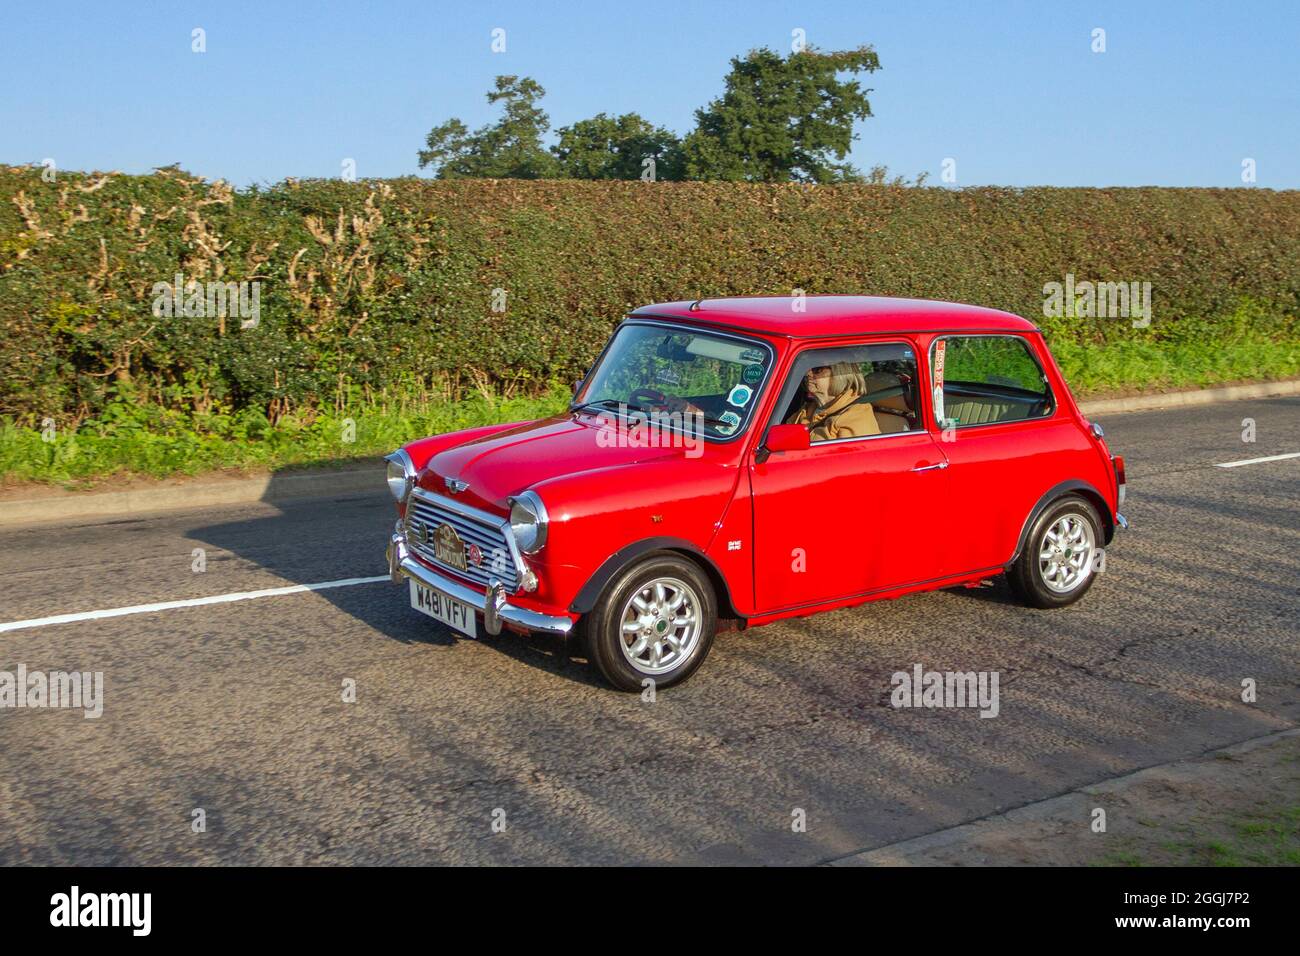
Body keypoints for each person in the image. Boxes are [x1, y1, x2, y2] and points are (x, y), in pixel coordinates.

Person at [786, 361, 881, 441]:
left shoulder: (857, 415)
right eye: (807, 367)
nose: (808, 373)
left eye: (817, 369)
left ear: (839, 373)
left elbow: (855, 460)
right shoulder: (809, 408)